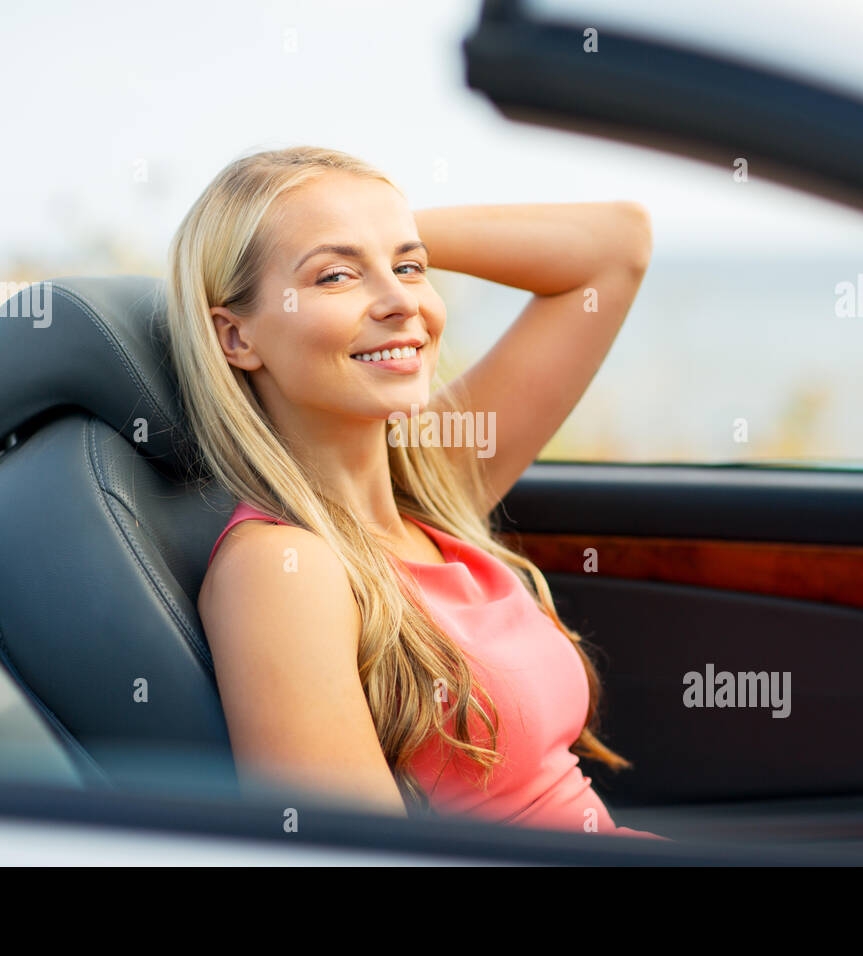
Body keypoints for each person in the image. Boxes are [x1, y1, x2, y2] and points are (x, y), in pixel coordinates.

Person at [166, 145, 663, 840]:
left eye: (409, 267)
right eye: (335, 276)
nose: (401, 301)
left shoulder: (426, 486)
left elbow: (618, 245)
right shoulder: (283, 571)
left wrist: (370, 223)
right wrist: (370, 233)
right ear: (236, 336)